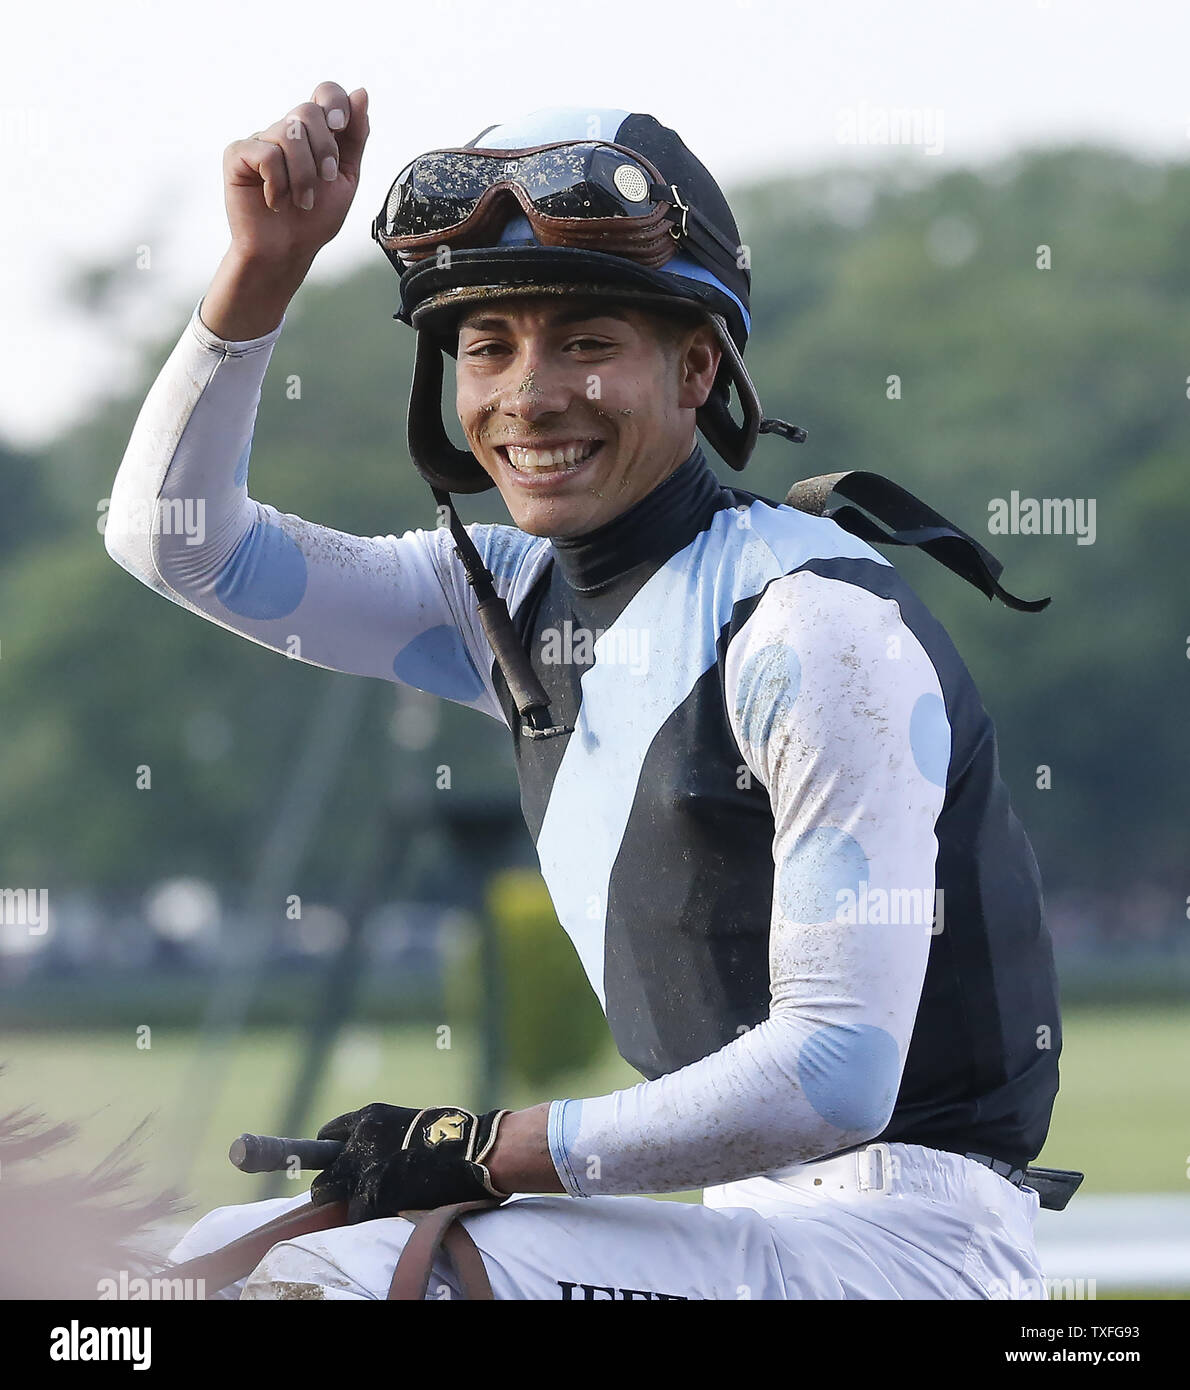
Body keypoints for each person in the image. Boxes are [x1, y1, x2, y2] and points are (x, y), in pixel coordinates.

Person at [106, 83, 1063, 1300]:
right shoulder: (502, 595)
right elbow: (180, 542)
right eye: (487, 346)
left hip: (907, 1254)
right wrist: (263, 272)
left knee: (320, 1288)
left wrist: (485, 1149)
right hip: (736, 1232)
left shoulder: (812, 627)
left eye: (586, 343)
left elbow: (832, 1073)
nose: (528, 395)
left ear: (695, 366)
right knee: (154, 1281)